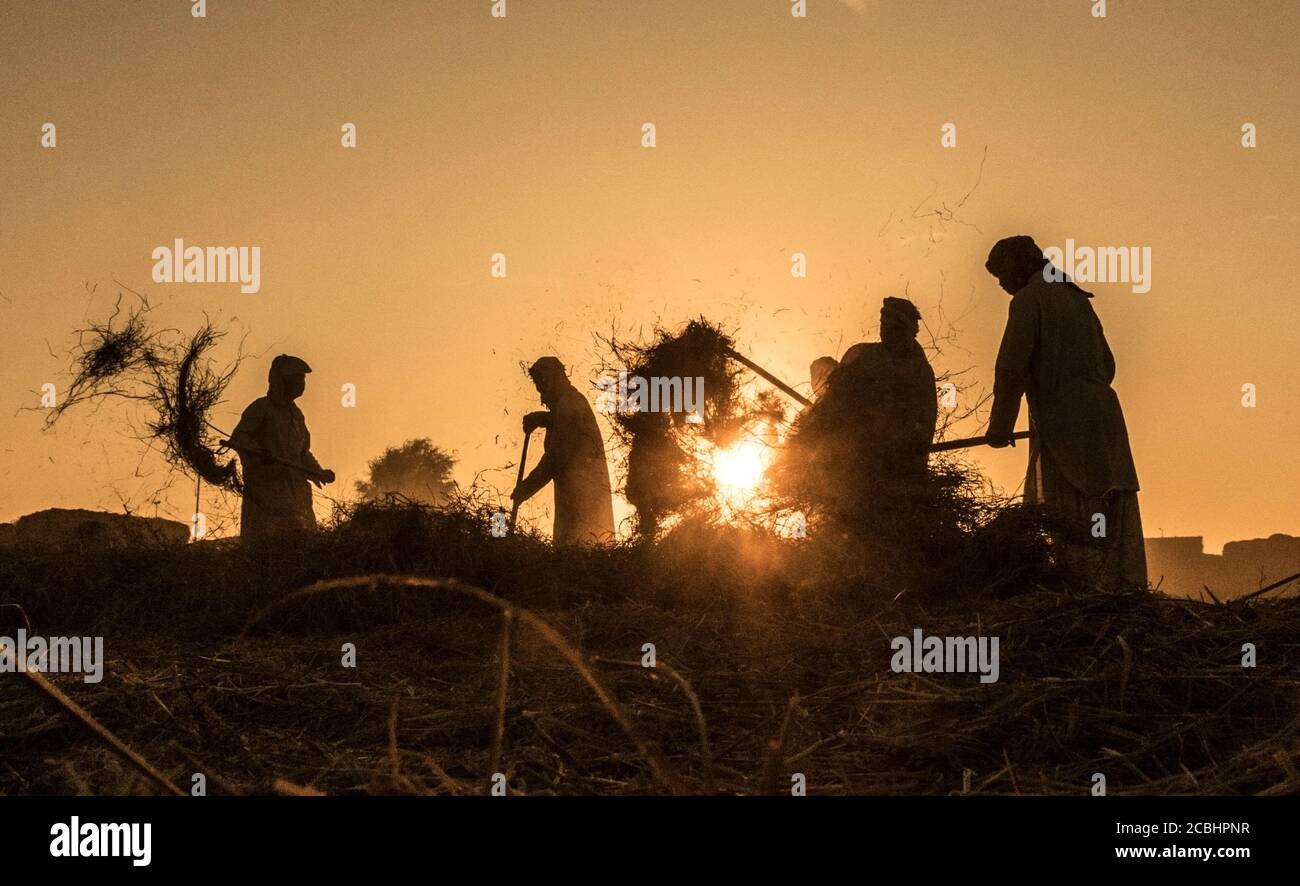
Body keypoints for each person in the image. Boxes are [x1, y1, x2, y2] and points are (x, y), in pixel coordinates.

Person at [984, 235, 1147, 588]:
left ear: (1023, 266)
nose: (1002, 285)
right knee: (1108, 502)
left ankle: (1085, 590)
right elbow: (1107, 364)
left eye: (1002, 275)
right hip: (1105, 419)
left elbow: (1011, 366)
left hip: (1065, 423)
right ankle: (1118, 587)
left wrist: (1000, 426)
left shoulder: (1029, 300)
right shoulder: (1077, 299)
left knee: (1070, 510)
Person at [781, 298, 937, 526]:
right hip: (853, 461)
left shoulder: (918, 372)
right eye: (883, 325)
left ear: (909, 331)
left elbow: (924, 421)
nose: (886, 332)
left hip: (892, 465)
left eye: (893, 327)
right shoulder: (864, 356)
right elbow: (837, 399)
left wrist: (908, 451)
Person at [227, 354, 334, 540]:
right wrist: (259, 453)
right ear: (281, 380)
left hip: (296, 496)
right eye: (297, 378)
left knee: (303, 543)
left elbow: (303, 453)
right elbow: (239, 438)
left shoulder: (297, 415)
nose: (302, 384)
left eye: (303, 379)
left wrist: (319, 472)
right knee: (267, 544)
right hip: (267, 495)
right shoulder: (261, 408)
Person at [511, 357, 615, 545]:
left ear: (551, 380)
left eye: (542, 387)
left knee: (579, 545)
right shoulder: (571, 402)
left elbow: (557, 457)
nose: (542, 396)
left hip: (582, 498)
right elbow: (562, 422)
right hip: (579, 493)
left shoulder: (570, 403)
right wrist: (543, 418)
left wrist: (526, 488)